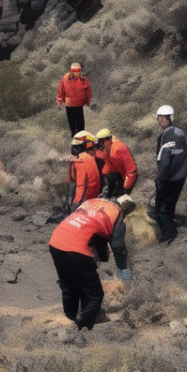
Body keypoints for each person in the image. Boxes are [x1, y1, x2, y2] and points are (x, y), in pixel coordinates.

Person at [47, 198, 131, 329]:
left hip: (57, 240)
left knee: (72, 283)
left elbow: (88, 228)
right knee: (94, 295)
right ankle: (82, 325)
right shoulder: (117, 214)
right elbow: (118, 248)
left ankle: (71, 315)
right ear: (126, 210)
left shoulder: (92, 202)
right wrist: (123, 270)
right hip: (76, 249)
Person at [151, 105, 187, 244]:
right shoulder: (180, 133)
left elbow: (165, 161)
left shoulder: (166, 135)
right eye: (159, 117)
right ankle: (171, 223)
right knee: (169, 205)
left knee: (160, 209)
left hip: (168, 179)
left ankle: (169, 233)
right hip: (179, 177)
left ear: (170, 119)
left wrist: (159, 179)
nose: (160, 120)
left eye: (163, 118)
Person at [95, 129, 138, 199]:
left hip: (124, 179)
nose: (101, 144)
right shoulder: (103, 150)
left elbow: (132, 171)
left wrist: (126, 188)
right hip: (115, 176)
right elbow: (108, 165)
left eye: (102, 141)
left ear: (109, 139)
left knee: (119, 201)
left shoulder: (119, 149)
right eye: (100, 142)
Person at [56, 62, 93, 136]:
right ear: (71, 70)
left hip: (79, 105)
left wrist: (88, 102)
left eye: (78, 70)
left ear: (80, 70)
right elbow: (60, 90)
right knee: (72, 126)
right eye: (74, 70)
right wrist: (59, 101)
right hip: (69, 105)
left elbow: (88, 92)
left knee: (81, 126)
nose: (76, 72)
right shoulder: (65, 78)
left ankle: (82, 141)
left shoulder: (84, 79)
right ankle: (75, 141)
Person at [66, 131, 101, 209]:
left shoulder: (82, 161)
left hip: (85, 206)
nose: (95, 150)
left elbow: (80, 189)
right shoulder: (89, 160)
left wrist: (75, 208)